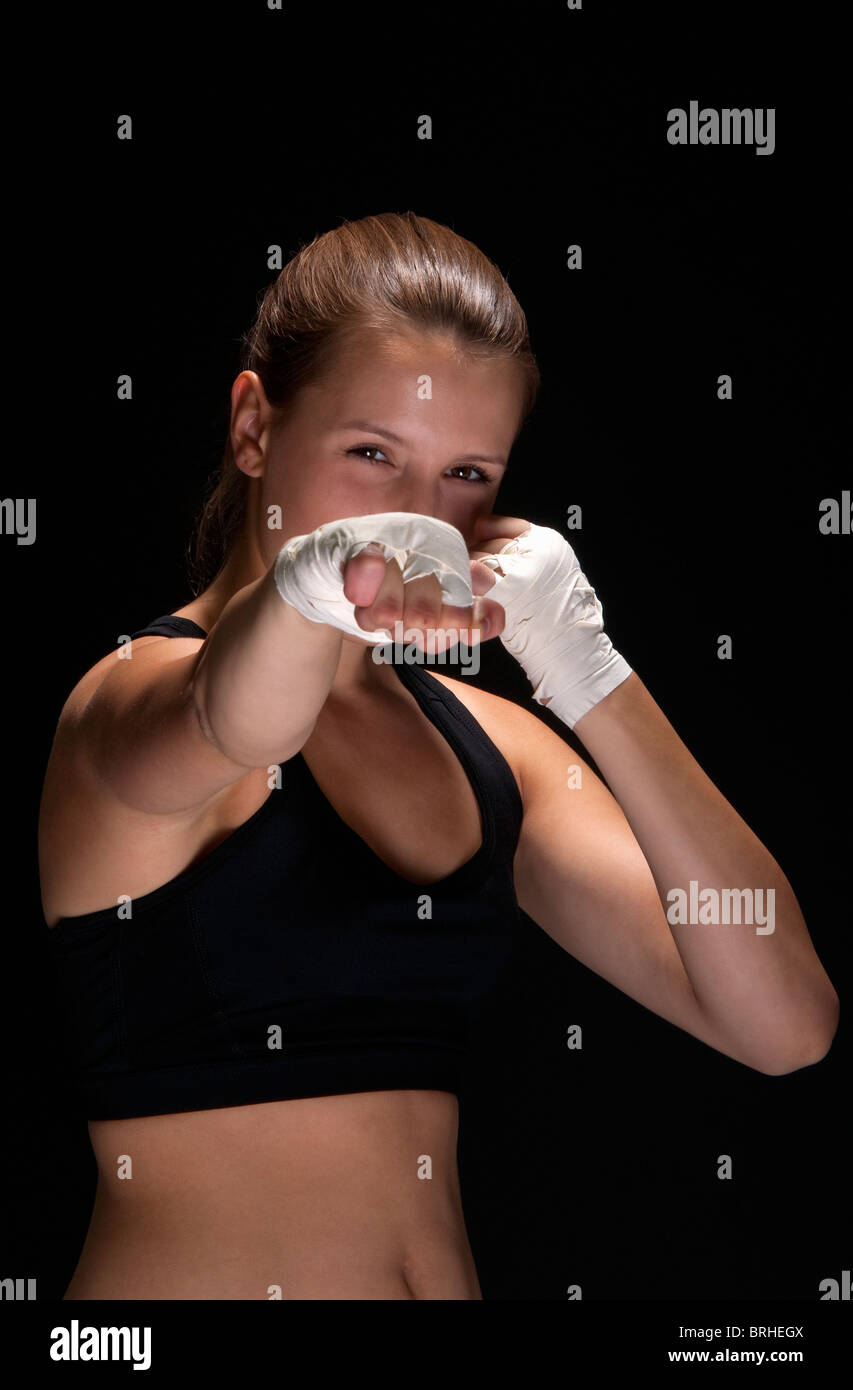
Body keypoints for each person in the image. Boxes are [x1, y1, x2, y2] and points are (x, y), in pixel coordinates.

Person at [39, 212, 839, 1301]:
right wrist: (312, 586)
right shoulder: (128, 698)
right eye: (371, 453)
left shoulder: (487, 747)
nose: (420, 515)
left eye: (466, 472)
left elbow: (783, 1022)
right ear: (253, 427)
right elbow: (243, 723)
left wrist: (587, 670)